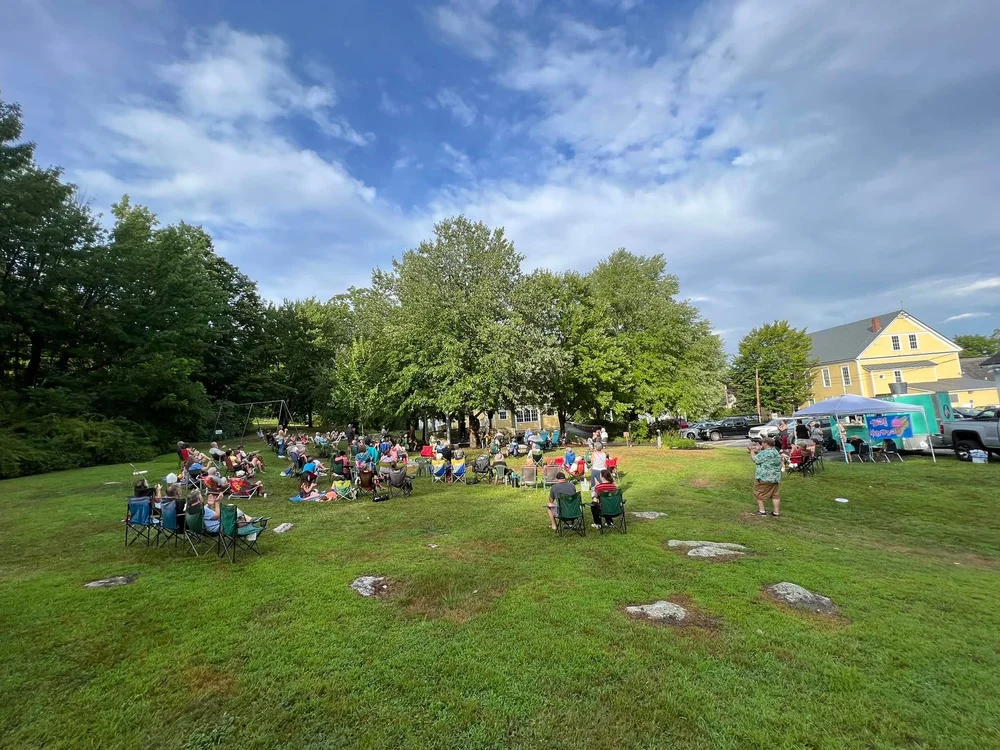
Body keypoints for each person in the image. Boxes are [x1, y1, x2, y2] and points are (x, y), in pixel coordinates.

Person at [749, 436, 782, 517]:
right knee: (775, 495)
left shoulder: (765, 453)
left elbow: (755, 459)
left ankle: (762, 511)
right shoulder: (775, 451)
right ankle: (776, 513)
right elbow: (765, 458)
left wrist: (751, 450)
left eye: (762, 443)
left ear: (766, 444)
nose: (761, 444)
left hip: (765, 477)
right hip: (775, 477)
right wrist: (759, 450)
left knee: (758, 492)